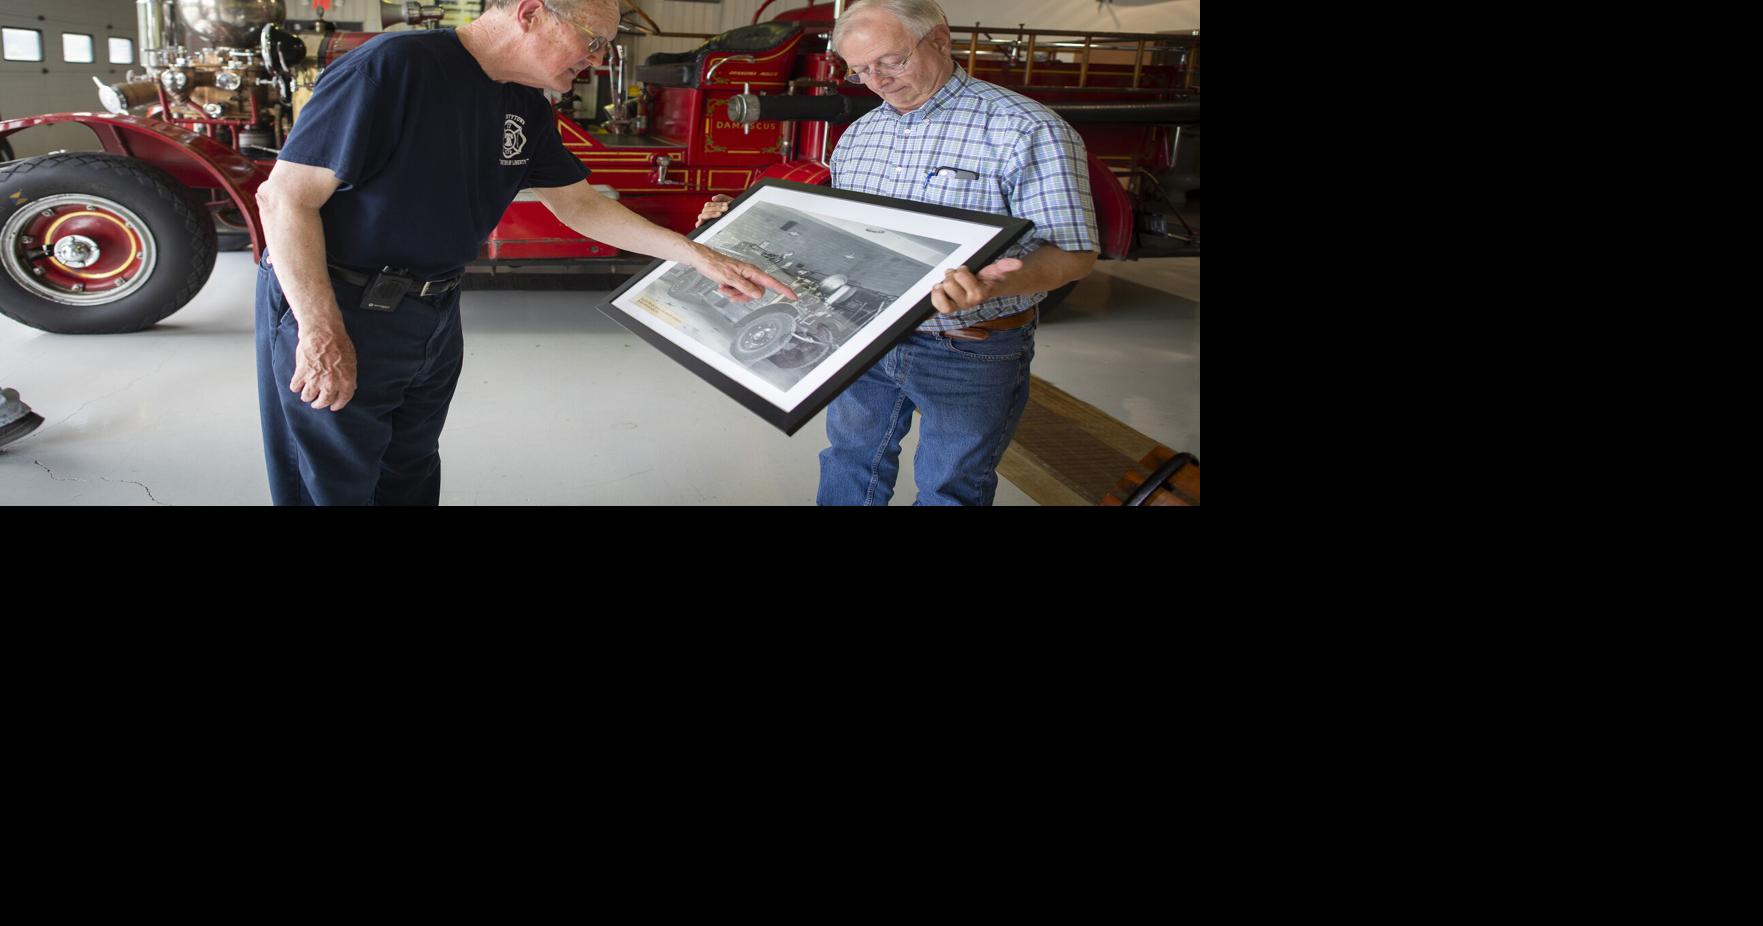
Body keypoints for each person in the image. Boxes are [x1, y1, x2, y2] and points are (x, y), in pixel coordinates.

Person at [254, 0, 795, 505]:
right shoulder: (394, 69)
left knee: (410, 468)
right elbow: (283, 200)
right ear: (532, 13)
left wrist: (697, 255)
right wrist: (320, 331)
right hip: (339, 303)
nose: (598, 60)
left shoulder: (523, 103)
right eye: (593, 40)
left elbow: (579, 206)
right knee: (333, 479)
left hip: (433, 309)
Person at [700, 0, 1098, 505]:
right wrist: (736, 225)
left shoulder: (1024, 128)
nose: (879, 80)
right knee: (849, 460)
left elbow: (1075, 254)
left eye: (891, 60)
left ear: (939, 38)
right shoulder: (862, 135)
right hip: (866, 337)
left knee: (950, 483)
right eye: (862, 70)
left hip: (966, 345)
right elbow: (841, 236)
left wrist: (991, 285)